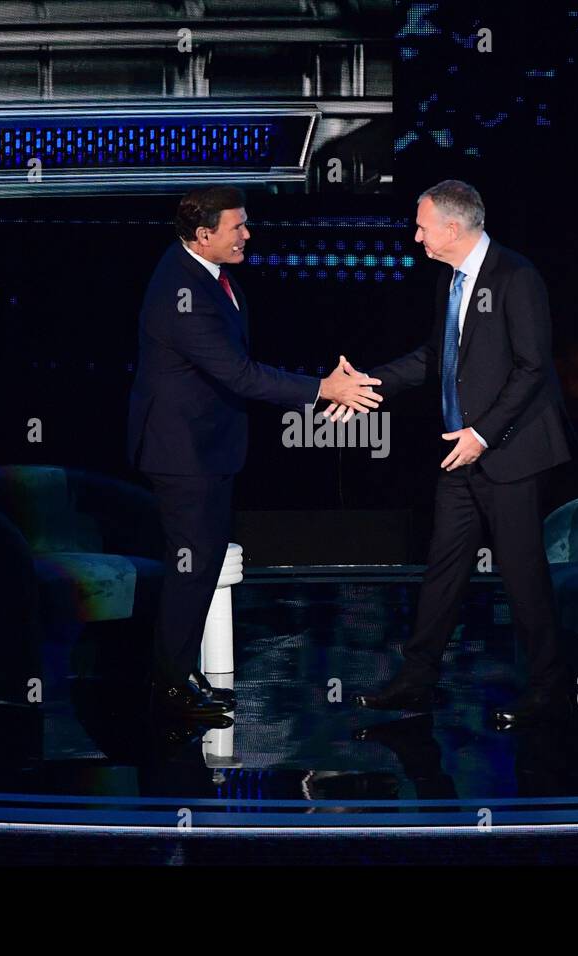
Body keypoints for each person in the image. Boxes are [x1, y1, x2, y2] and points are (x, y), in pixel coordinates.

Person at [127, 185, 382, 720]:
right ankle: (168, 687)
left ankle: (178, 673)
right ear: (203, 235)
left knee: (200, 567)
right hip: (184, 455)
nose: (247, 234)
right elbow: (240, 374)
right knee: (191, 569)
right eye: (236, 227)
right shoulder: (184, 293)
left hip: (208, 449)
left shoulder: (203, 274)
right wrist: (322, 390)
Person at [342, 180, 578, 727]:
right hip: (459, 455)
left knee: (522, 576)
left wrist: (483, 435)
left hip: (509, 454)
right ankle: (415, 680)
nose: (416, 235)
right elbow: (435, 356)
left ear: (452, 228)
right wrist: (372, 382)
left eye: (422, 225)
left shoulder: (516, 277)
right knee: (442, 570)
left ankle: (549, 692)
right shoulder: (452, 280)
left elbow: (532, 368)